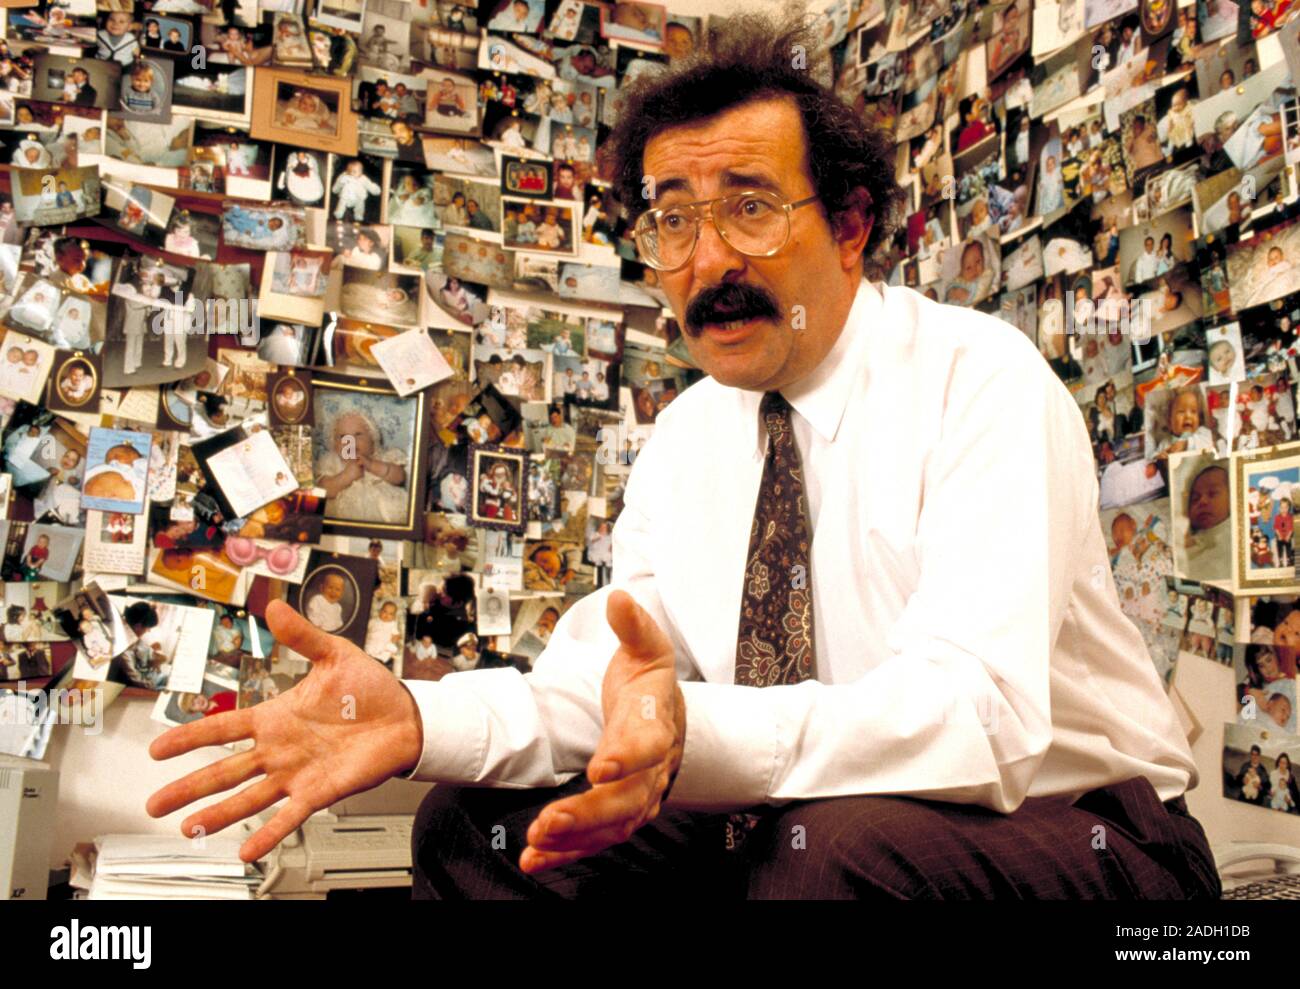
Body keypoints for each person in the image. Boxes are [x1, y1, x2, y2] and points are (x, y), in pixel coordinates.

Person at [148, 14, 1218, 902]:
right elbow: (607, 686)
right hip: (813, 814)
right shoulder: (689, 434)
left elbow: (980, 719)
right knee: (468, 831)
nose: (708, 263)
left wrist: (681, 731)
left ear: (849, 225)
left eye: (749, 208)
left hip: (1089, 828)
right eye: (671, 220)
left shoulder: (978, 377)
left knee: (824, 862)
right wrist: (423, 718)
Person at [317, 410, 409, 523]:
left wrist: (372, 465)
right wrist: (346, 476)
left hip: (385, 514)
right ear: (334, 444)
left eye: (358, 434)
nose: (350, 441)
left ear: (373, 440)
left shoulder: (382, 458)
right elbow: (322, 490)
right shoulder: (332, 462)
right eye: (343, 436)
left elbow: (400, 477)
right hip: (343, 518)